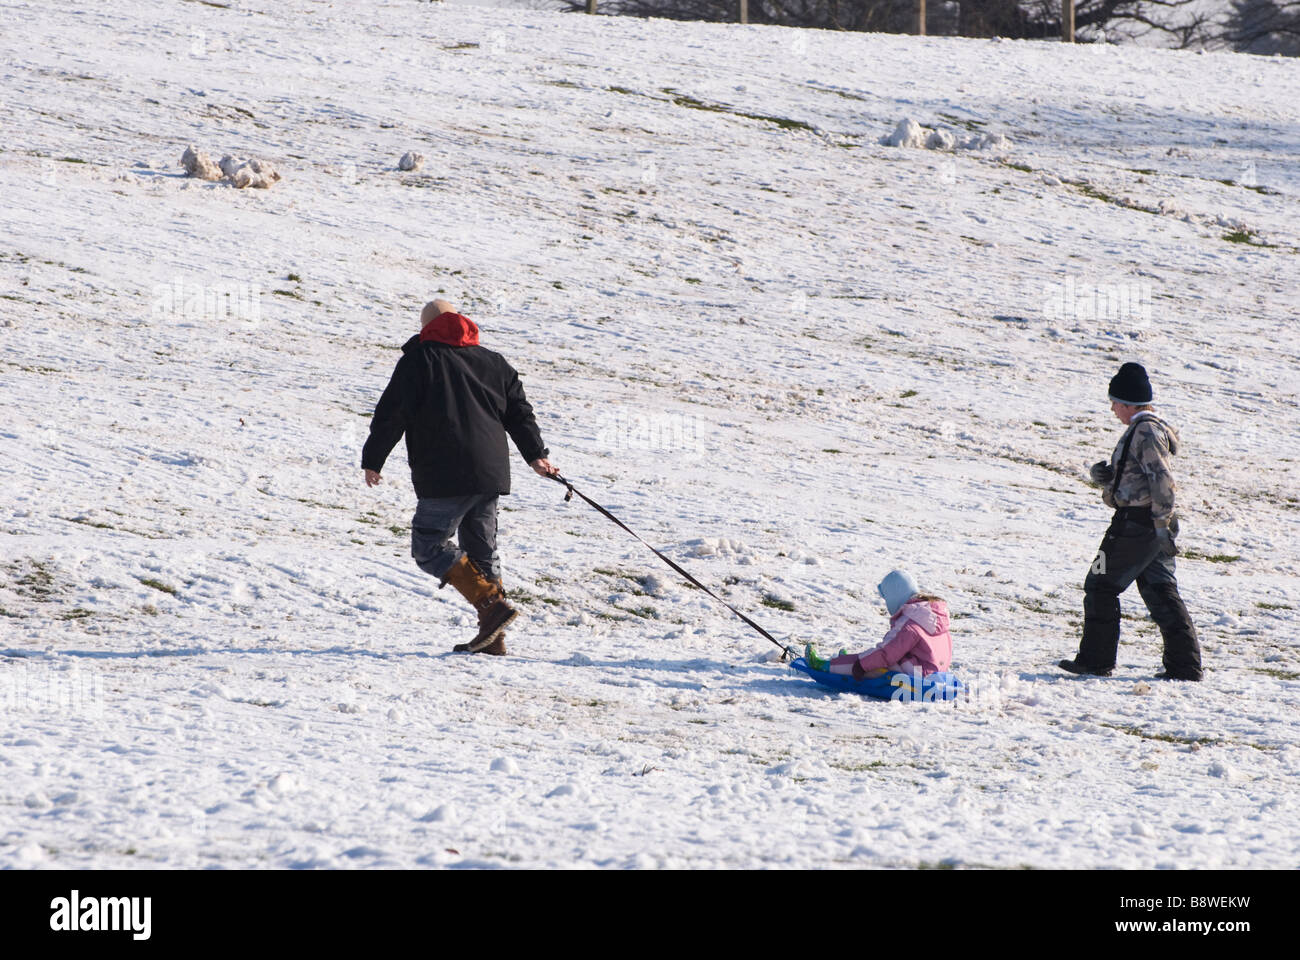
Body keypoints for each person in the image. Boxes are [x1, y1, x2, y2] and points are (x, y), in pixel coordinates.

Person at [361, 299, 558, 656]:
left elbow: (392, 413)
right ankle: (493, 639)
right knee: (482, 553)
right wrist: (536, 456)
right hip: (490, 472)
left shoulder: (420, 360)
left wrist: (374, 459)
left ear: (426, 328)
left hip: (444, 471)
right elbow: (520, 414)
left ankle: (490, 605)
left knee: (428, 545)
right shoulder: (493, 362)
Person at [1060, 362, 1202, 680]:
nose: (1112, 410)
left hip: (1139, 525)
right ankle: (1185, 666)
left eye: (1114, 402)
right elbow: (1140, 477)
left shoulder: (1146, 431)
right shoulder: (1143, 430)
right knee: (1159, 588)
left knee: (1099, 584)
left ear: (1127, 403)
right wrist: (1108, 478)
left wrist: (1162, 525)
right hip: (1150, 524)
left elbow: (1163, 482)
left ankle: (1096, 661)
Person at [805, 569, 952, 679]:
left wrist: (860, 665)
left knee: (870, 660)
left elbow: (887, 652)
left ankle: (825, 666)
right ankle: (843, 661)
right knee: (872, 657)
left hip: (916, 675)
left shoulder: (910, 621)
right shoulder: (932, 615)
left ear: (894, 595)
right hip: (934, 672)